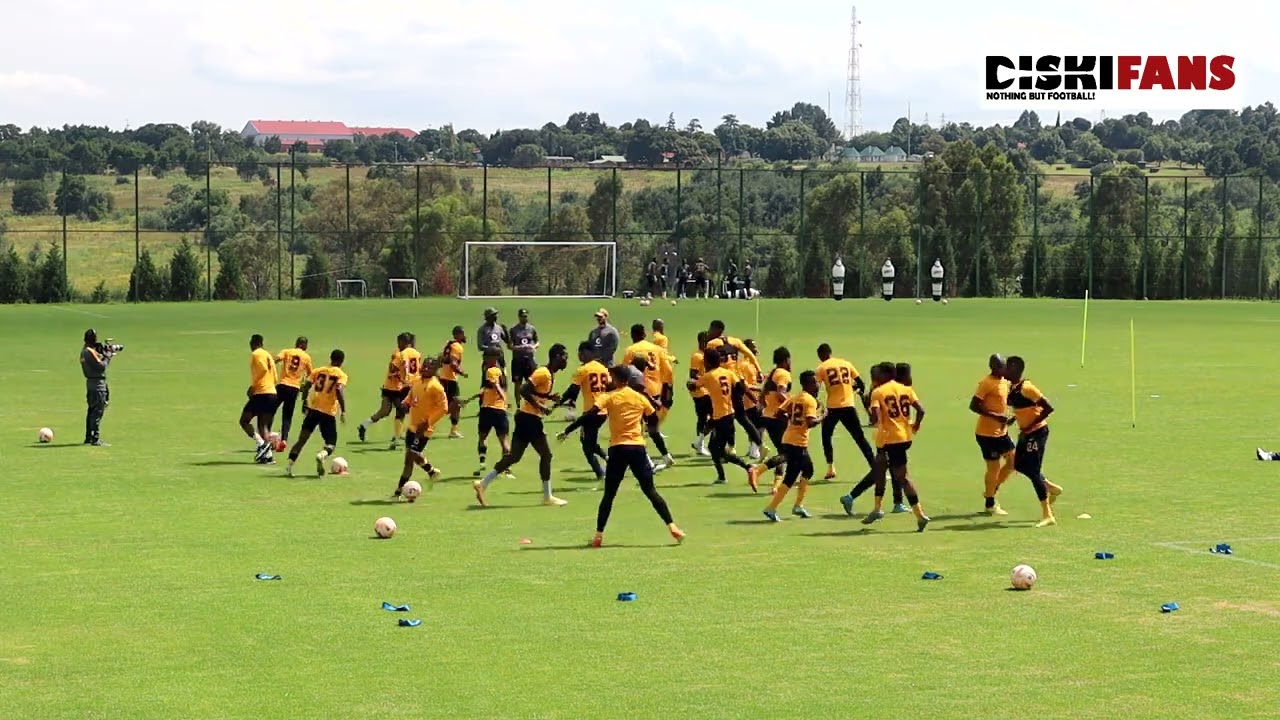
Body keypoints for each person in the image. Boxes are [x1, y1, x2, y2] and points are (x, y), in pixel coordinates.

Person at [558, 364, 686, 547]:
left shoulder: (608, 397)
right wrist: (648, 430)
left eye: (611, 377)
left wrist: (568, 430)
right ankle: (673, 527)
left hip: (618, 448)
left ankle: (598, 536)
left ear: (617, 379)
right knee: (650, 491)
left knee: (609, 495)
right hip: (637, 448)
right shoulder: (639, 397)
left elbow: (589, 415)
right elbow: (652, 417)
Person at [473, 344, 571, 508]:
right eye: (564, 356)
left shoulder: (549, 374)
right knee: (546, 455)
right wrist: (540, 406)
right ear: (556, 356)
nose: (566, 360)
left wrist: (547, 396)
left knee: (514, 456)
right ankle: (547, 496)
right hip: (530, 419)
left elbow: (532, 391)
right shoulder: (543, 373)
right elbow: (525, 389)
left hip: (525, 417)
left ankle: (482, 484)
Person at [860, 361, 929, 531]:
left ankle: (919, 515)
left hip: (890, 439)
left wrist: (866, 405)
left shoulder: (878, 392)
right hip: (903, 437)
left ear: (885, 375)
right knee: (880, 467)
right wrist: (916, 425)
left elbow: (874, 418)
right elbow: (921, 409)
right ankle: (877, 509)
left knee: (902, 477)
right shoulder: (906, 389)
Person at [748, 369, 822, 521]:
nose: (818, 385)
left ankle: (796, 506)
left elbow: (779, 413)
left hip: (789, 438)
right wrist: (823, 417)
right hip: (798, 442)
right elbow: (810, 423)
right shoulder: (810, 401)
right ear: (809, 384)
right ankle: (774, 507)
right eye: (815, 382)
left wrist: (793, 420)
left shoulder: (795, 397)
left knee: (807, 469)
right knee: (793, 476)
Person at [1005, 356, 1063, 527]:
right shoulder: (1013, 388)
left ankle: (1048, 514)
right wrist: (1014, 420)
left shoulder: (1027, 388)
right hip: (1026, 433)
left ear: (1015, 369)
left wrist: (1031, 424)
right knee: (1019, 465)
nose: (1004, 371)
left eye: (1007, 368)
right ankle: (1050, 487)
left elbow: (1048, 407)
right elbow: (1023, 408)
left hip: (1037, 433)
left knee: (1034, 471)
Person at [691, 347, 755, 488]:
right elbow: (739, 386)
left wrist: (691, 382)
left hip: (721, 418)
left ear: (707, 362)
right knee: (714, 448)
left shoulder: (708, 376)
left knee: (717, 450)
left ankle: (747, 467)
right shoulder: (728, 373)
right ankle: (722, 476)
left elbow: (694, 386)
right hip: (727, 414)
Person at [815, 343, 876, 480]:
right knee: (860, 438)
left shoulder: (821, 368)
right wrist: (851, 391)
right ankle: (875, 467)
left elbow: (815, 388)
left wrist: (816, 403)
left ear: (820, 356)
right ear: (831, 352)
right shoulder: (846, 363)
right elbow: (861, 384)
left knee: (826, 436)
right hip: (849, 406)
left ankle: (830, 467)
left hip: (833, 408)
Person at [705, 320, 765, 453]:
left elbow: (708, 364)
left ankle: (730, 447)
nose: (709, 332)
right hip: (737, 382)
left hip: (723, 382)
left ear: (716, 330)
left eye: (711, 329)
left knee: (725, 415)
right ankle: (759, 445)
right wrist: (759, 370)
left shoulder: (711, 344)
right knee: (741, 417)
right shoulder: (735, 341)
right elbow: (749, 354)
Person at [286, 349, 348, 478]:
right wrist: (343, 410)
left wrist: (304, 401)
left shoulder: (318, 371)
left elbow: (306, 385)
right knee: (331, 443)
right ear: (341, 361)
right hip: (328, 413)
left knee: (301, 440)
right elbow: (339, 389)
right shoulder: (341, 375)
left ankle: (289, 466)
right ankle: (322, 455)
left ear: (330, 358)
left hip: (313, 409)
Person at [622, 324, 676, 470]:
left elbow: (626, 372)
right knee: (652, 428)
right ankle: (666, 456)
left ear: (633, 336)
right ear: (645, 334)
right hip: (655, 391)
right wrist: (668, 388)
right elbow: (668, 370)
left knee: (636, 427)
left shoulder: (631, 350)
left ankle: (647, 462)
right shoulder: (657, 349)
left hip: (639, 392)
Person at [556, 342, 611, 482]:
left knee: (587, 447)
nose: (579, 356)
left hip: (591, 412)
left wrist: (559, 402)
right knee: (587, 439)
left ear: (588, 353)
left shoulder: (583, 370)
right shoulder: (603, 369)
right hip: (604, 411)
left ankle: (601, 473)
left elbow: (572, 390)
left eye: (581, 353)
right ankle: (607, 458)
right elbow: (611, 387)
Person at [394, 356, 447, 500]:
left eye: (429, 367)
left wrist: (428, 422)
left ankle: (398, 491)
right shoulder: (417, 381)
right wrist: (405, 404)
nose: (425, 369)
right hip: (412, 427)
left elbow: (444, 408)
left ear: (435, 370)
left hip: (424, 430)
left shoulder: (436, 387)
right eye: (424, 366)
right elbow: (411, 397)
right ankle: (431, 471)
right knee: (411, 458)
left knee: (410, 456)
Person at [970, 353, 1017, 515]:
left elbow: (1005, 401)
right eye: (1000, 366)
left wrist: (1008, 418)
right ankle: (990, 503)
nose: (1003, 369)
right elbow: (974, 406)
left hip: (1001, 432)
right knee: (994, 467)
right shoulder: (986, 383)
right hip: (986, 433)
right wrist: (996, 416)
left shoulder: (1005, 381)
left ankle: (992, 488)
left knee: (1013, 461)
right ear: (993, 367)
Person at [357, 332, 416, 448]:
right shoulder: (399, 354)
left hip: (395, 387)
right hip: (393, 388)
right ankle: (398, 436)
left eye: (400, 342)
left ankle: (364, 425)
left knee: (385, 411)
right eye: (399, 342)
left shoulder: (405, 354)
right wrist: (402, 379)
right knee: (401, 410)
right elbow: (393, 370)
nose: (398, 344)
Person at [461, 349, 513, 479]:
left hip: (489, 410)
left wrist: (504, 398)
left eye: (486, 356)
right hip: (500, 411)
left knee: (483, 438)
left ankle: (482, 463)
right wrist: (469, 399)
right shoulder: (502, 372)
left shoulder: (490, 371)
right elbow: (485, 390)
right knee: (504, 441)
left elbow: (495, 386)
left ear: (493, 357)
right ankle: (507, 469)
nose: (484, 358)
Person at [759, 346, 793, 491]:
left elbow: (761, 398)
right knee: (789, 452)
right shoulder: (783, 373)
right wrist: (792, 406)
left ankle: (777, 484)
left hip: (768, 417)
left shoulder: (771, 373)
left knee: (783, 451)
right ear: (786, 360)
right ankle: (758, 470)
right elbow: (781, 392)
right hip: (778, 418)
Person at [241, 334, 279, 464]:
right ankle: (268, 456)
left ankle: (261, 443)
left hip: (262, 392)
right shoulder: (268, 355)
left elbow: (262, 369)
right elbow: (275, 377)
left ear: (254, 343)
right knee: (263, 426)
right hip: (272, 392)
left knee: (244, 420)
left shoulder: (257, 354)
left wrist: (254, 386)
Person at [80, 328, 117, 447]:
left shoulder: (84, 351)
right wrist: (108, 356)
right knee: (97, 412)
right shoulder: (89, 352)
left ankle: (88, 437)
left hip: (91, 385)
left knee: (91, 411)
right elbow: (101, 367)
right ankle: (95, 438)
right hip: (97, 386)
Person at [273, 337, 312, 443]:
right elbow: (311, 376)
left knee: (270, 410)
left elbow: (275, 360)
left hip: (282, 385)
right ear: (304, 345)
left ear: (297, 343)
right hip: (294, 388)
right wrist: (306, 393)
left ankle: (266, 435)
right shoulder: (307, 357)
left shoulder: (287, 351)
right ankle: (284, 440)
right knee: (287, 415)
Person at [737, 338, 767, 460]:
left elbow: (754, 380)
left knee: (756, 424)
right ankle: (755, 448)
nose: (756, 348)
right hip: (748, 400)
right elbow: (744, 385)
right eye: (753, 346)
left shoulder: (752, 364)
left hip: (753, 399)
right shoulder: (744, 365)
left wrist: (764, 377)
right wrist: (760, 390)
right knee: (759, 425)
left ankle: (752, 448)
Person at [438, 325, 468, 439]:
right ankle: (452, 430)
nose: (464, 336)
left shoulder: (448, 344)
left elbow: (441, 358)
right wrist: (462, 372)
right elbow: (453, 363)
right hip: (450, 379)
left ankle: (452, 430)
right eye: (462, 333)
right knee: (455, 405)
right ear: (457, 335)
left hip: (443, 377)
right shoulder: (457, 347)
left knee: (451, 405)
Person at [650, 319, 678, 431]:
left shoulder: (652, 338)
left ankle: (652, 426)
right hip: (665, 375)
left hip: (655, 374)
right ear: (661, 327)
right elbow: (661, 354)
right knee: (666, 403)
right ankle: (654, 427)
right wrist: (672, 358)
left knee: (656, 401)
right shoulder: (662, 338)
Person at [688, 331, 713, 456]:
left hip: (705, 390)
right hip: (701, 391)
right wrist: (705, 380)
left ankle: (700, 443)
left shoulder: (705, 354)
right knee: (713, 417)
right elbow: (693, 375)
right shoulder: (698, 356)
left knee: (704, 417)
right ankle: (700, 443)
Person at [476, 307, 510, 396]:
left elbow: (507, 341)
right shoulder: (482, 329)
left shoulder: (499, 328)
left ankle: (502, 400)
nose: (496, 317)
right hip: (489, 358)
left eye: (496, 315)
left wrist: (506, 333)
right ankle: (483, 401)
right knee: (487, 381)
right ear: (488, 317)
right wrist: (492, 349)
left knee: (503, 379)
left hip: (500, 357)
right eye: (494, 315)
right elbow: (480, 346)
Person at [509, 308, 539, 389]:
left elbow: (537, 342)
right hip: (518, 360)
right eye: (522, 316)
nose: (524, 318)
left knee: (532, 382)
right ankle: (518, 402)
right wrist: (520, 348)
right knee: (517, 383)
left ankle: (529, 401)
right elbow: (510, 346)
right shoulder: (513, 330)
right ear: (519, 317)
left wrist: (533, 346)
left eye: (526, 316)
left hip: (529, 360)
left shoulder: (532, 329)